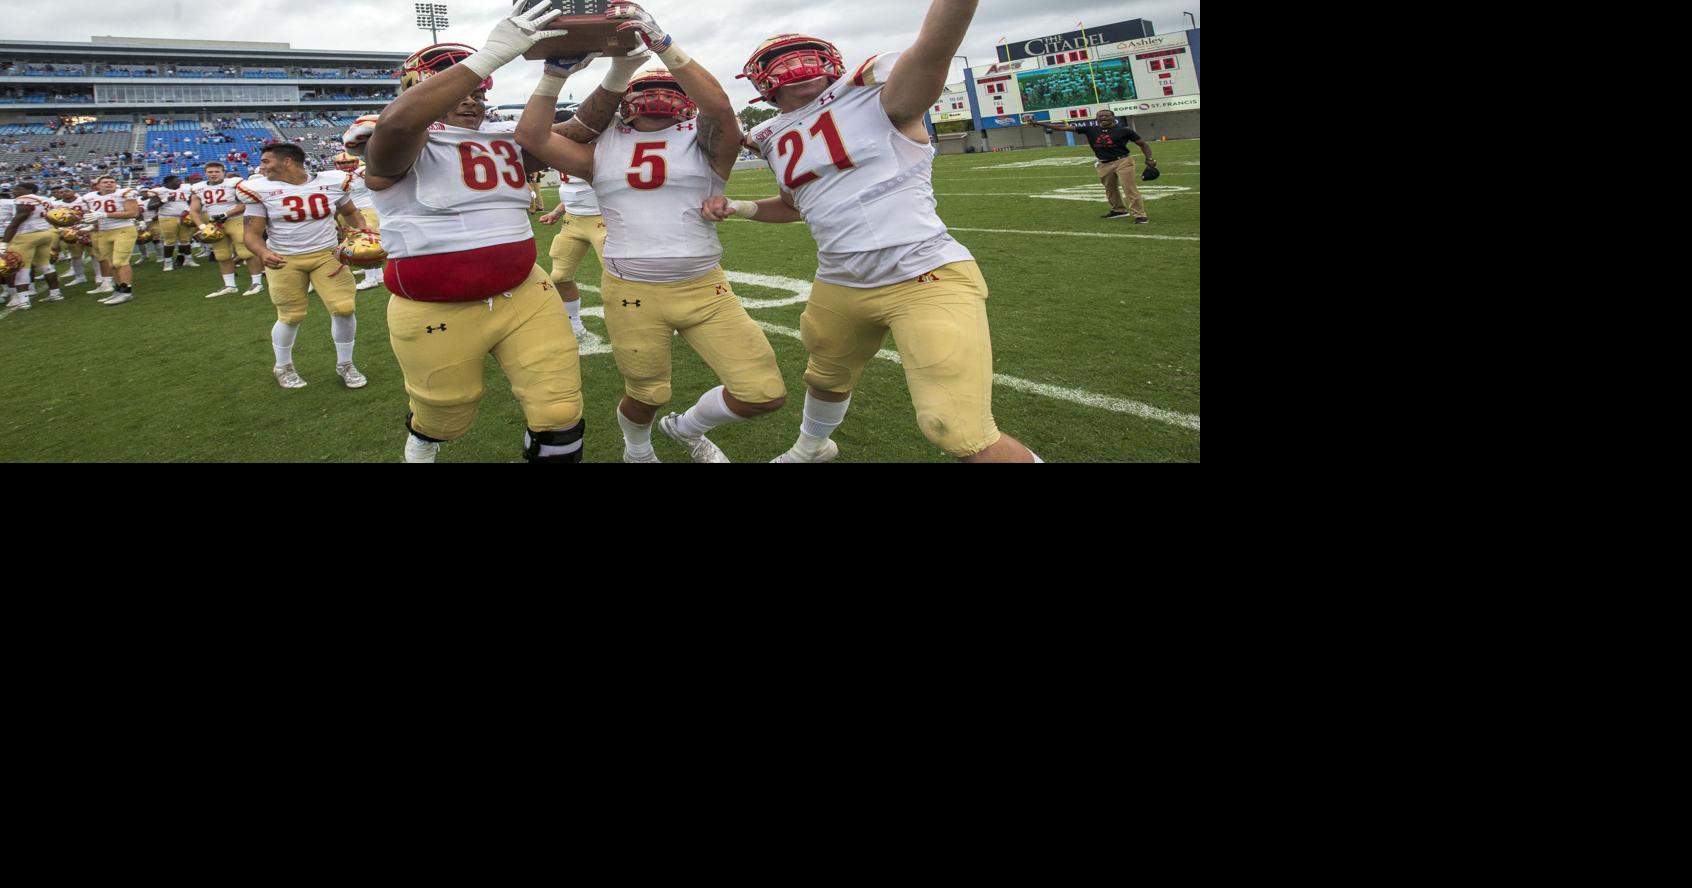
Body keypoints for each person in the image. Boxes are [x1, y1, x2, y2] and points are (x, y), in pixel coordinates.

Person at [707, 0, 1040, 462]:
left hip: (923, 275)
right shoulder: (772, 136)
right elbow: (797, 205)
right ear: (762, 83)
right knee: (824, 375)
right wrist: (739, 207)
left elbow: (936, 45)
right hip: (839, 280)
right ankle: (811, 449)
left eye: (805, 53)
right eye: (780, 59)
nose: (796, 64)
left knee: (956, 429)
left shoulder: (880, 97)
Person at [350, 0, 636, 463]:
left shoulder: (504, 136)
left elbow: (579, 130)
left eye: (478, 90)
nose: (470, 98)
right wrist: (489, 54)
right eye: (458, 88)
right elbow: (399, 122)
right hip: (434, 305)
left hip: (524, 292)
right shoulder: (396, 135)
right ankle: (422, 446)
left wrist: (614, 74)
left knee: (560, 410)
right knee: (444, 417)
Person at [518, 2, 789, 464]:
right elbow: (533, 137)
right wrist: (555, 75)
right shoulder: (601, 149)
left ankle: (685, 428)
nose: (659, 95)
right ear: (623, 99)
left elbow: (720, 106)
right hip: (631, 291)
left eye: (669, 87)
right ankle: (637, 449)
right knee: (647, 391)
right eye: (648, 88)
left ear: (684, 98)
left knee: (763, 393)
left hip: (705, 287)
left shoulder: (706, 143)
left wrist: (663, 45)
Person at [236, 142, 370, 390]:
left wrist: (360, 235)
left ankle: (346, 364)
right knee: (291, 315)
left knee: (344, 308)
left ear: (287, 161)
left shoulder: (331, 181)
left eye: (266, 161)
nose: (261, 167)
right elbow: (251, 233)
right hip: (284, 258)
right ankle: (283, 366)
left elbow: (351, 213)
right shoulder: (259, 189)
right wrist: (263, 251)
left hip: (327, 254)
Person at [535, 108, 599, 341]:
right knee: (560, 276)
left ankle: (656, 316)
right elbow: (573, 189)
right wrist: (556, 211)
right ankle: (575, 326)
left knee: (623, 278)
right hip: (573, 220)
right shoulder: (559, 151)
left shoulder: (596, 148)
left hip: (602, 219)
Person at [1035, 110, 1157, 222]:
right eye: (1100, 116)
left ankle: (1140, 215)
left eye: (1106, 116)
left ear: (1113, 117)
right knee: (1110, 189)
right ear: (1097, 118)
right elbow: (1062, 128)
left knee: (1129, 188)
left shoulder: (1124, 130)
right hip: (1103, 163)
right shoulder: (1090, 129)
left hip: (1123, 161)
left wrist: (1149, 159)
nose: (1103, 117)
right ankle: (1119, 210)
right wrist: (1040, 124)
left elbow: (1142, 144)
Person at [189, 161, 265, 297]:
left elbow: (245, 203)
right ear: (205, 173)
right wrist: (202, 226)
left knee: (246, 252)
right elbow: (194, 210)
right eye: (210, 172)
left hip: (236, 220)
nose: (213, 174)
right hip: (215, 224)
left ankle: (257, 283)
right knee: (221, 255)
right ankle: (230, 285)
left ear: (223, 172)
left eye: (217, 171)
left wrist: (226, 214)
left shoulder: (234, 184)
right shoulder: (198, 188)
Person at [77, 175, 143, 304]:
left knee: (120, 262)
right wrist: (88, 226)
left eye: (112, 182)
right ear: (98, 185)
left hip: (123, 229)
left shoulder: (124, 194)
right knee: (110, 263)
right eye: (105, 182)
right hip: (103, 231)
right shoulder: (89, 197)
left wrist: (104, 214)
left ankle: (126, 292)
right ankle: (118, 291)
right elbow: (93, 217)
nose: (109, 184)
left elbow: (133, 213)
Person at [1, 183, 65, 309]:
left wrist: (4, 243)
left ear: (29, 190)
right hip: (45, 233)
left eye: (18, 189)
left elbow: (16, 221)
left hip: (26, 235)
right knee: (46, 265)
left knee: (21, 267)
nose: (14, 191)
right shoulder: (45, 199)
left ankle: (23, 301)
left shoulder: (25, 200)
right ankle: (55, 293)